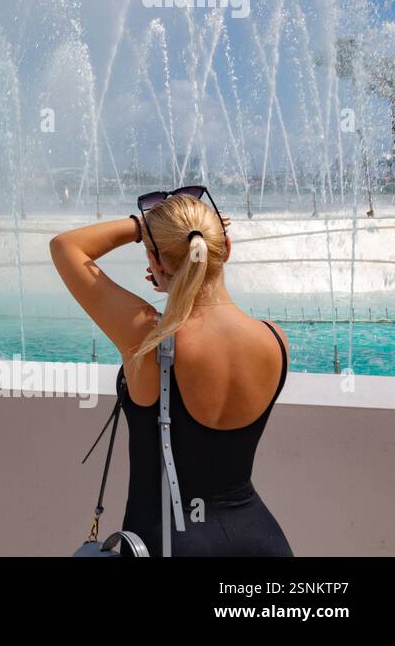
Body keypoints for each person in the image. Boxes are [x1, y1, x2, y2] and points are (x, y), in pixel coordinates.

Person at [49, 188, 293, 556]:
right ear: (226, 247)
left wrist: (141, 227)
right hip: (261, 539)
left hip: (169, 541)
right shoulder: (274, 339)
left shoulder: (147, 338)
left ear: (154, 261)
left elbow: (66, 247)